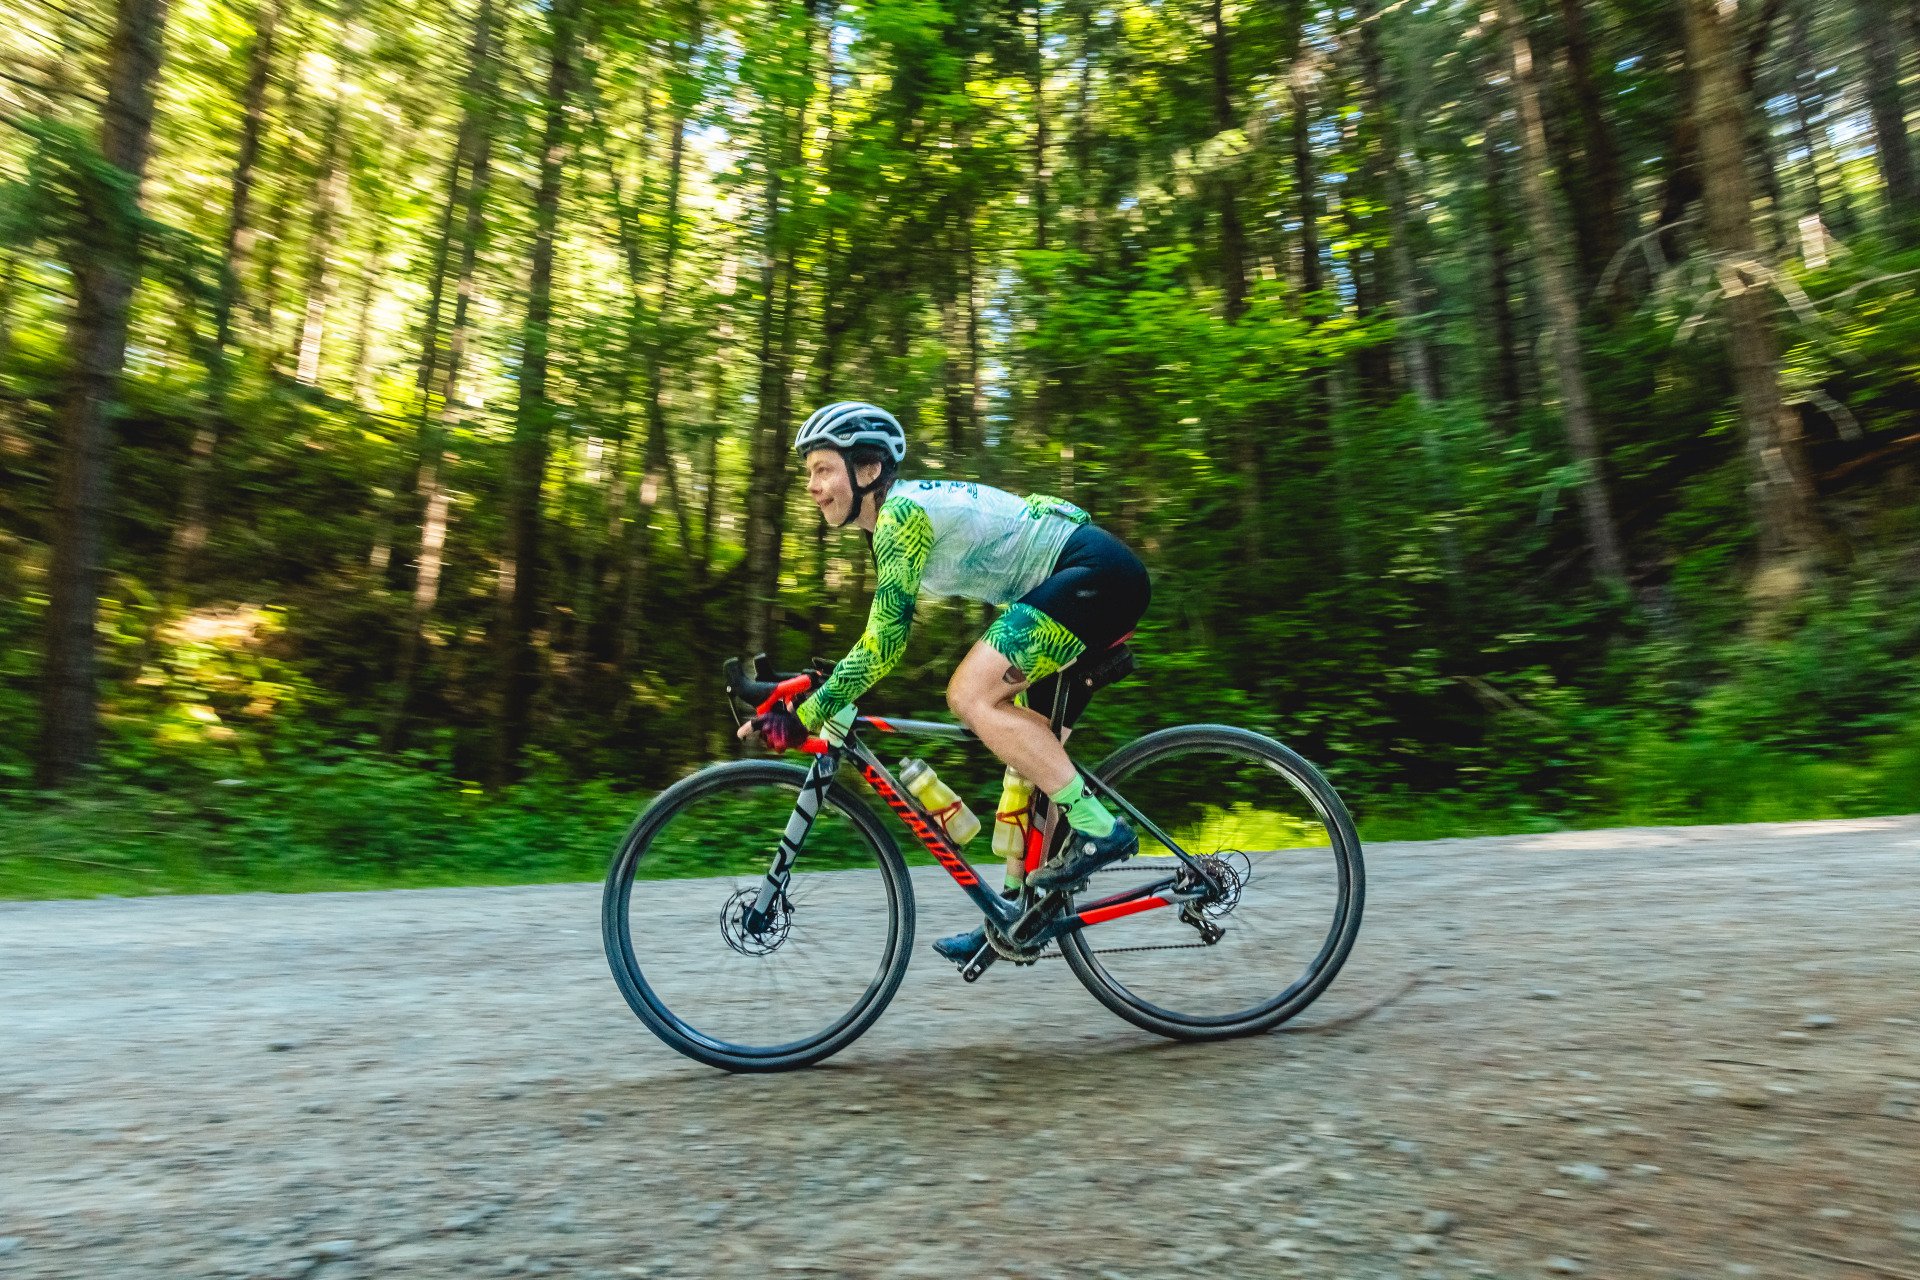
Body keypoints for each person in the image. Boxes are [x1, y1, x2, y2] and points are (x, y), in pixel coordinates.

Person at [736, 401, 1152, 963]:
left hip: (1093, 574)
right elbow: (877, 636)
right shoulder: (890, 523)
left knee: (969, 695)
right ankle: (1019, 918)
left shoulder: (900, 515)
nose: (812, 486)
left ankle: (1101, 829)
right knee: (1027, 761)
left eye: (822, 469)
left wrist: (798, 719)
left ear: (866, 470)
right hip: (1081, 581)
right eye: (808, 473)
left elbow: (884, 648)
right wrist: (814, 685)